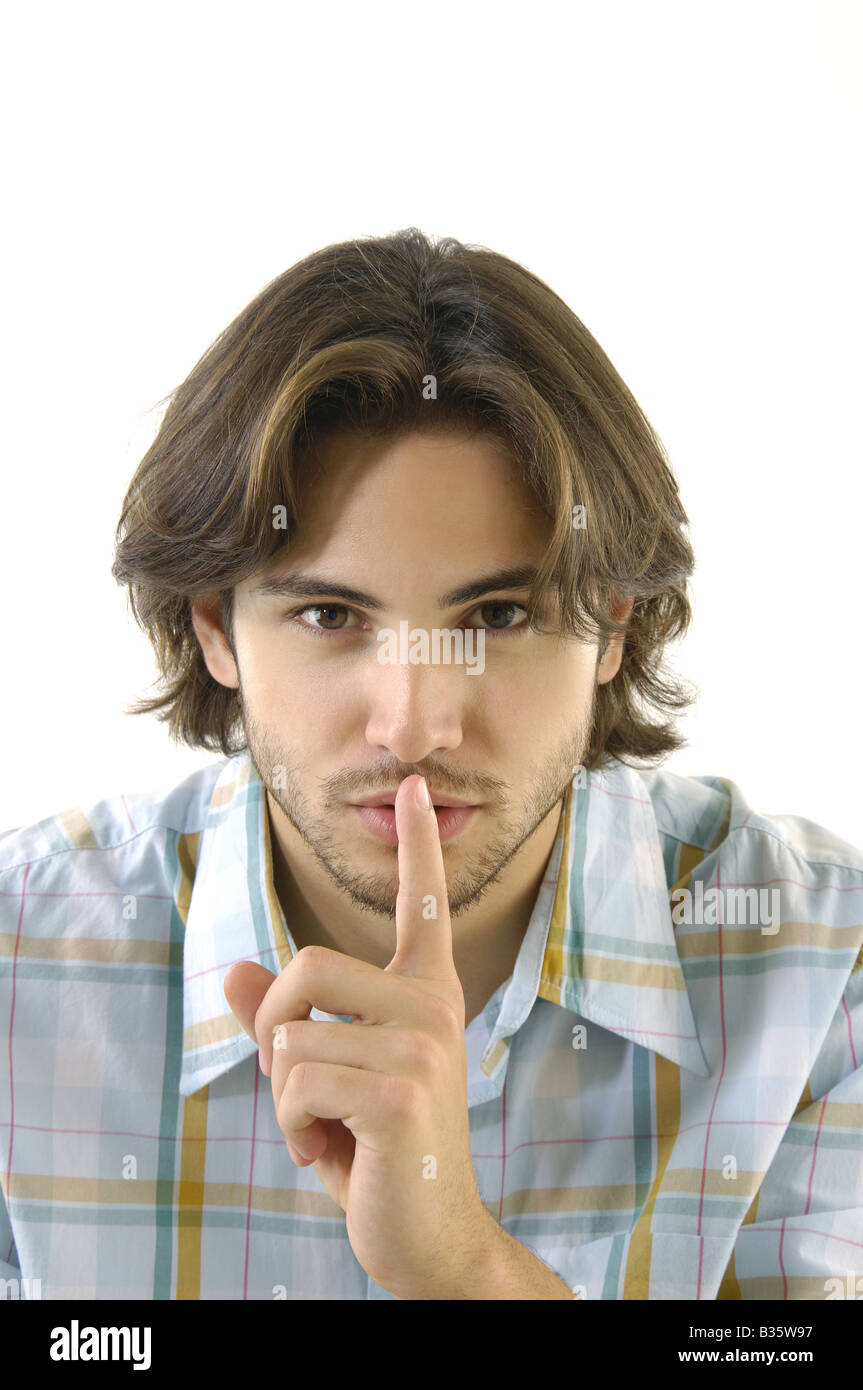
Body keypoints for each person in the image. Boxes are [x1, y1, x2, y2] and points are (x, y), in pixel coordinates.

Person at [1, 229, 860, 1301]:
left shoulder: (826, 973)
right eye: (329, 613)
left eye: (497, 615)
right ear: (217, 628)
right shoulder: (18, 963)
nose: (413, 727)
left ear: (611, 625)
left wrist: (465, 1270)